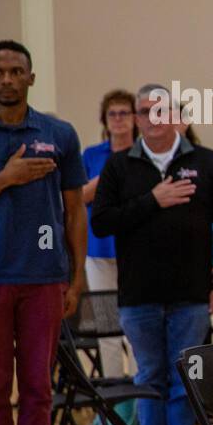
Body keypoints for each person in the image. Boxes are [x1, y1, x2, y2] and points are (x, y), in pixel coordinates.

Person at [92, 84, 213, 425]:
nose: (152, 118)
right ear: (137, 119)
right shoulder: (120, 166)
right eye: (144, 111)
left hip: (192, 295)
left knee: (184, 378)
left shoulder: (206, 162)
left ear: (175, 115)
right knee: (149, 377)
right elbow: (101, 222)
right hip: (138, 296)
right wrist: (153, 200)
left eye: (161, 110)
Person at [0, 39, 87, 425]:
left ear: (31, 78)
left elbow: (75, 210)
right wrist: (6, 177)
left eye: (16, 71)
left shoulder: (59, 132)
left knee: (37, 387)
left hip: (45, 278)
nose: (7, 79)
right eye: (0, 71)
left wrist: (75, 279)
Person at [81, 89, 137, 389]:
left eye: (124, 113)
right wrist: (107, 179)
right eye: (112, 114)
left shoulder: (144, 153)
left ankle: (144, 401)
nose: (118, 120)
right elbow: (76, 197)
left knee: (137, 328)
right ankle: (115, 401)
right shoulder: (92, 155)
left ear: (135, 118)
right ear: (105, 119)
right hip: (99, 251)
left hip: (137, 251)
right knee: (108, 330)